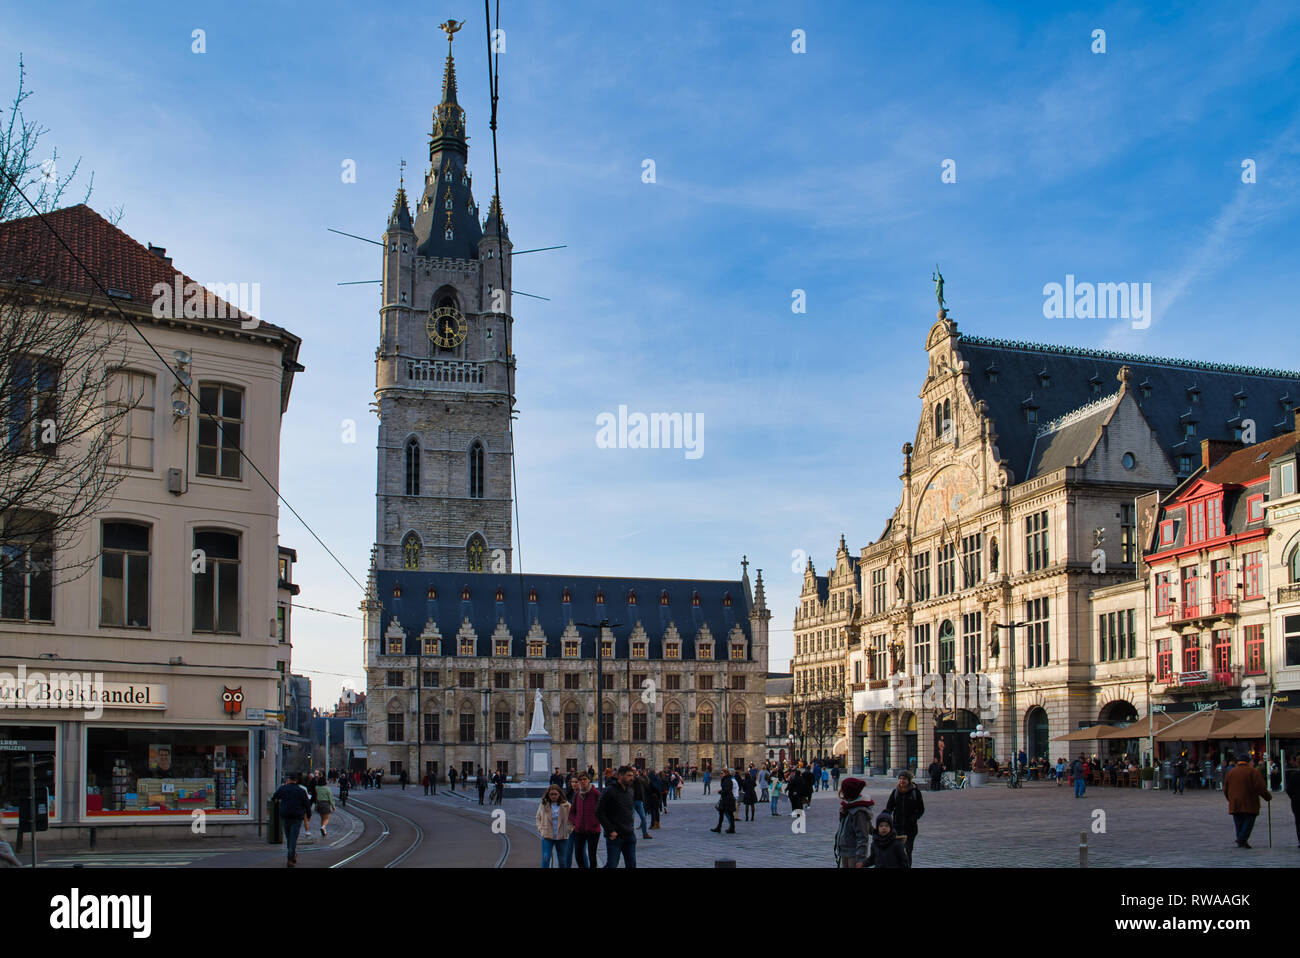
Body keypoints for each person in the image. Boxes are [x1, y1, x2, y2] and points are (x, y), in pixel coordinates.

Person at [1223, 752, 1271, 849]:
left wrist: (1230, 799)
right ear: (1248, 762)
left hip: (1235, 802)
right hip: (1250, 802)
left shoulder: (1231, 772)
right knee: (1248, 821)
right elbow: (1260, 787)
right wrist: (1267, 797)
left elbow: (1225, 788)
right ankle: (1241, 839)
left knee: (1239, 822)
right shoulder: (1253, 771)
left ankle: (1241, 840)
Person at [597, 766, 637, 868]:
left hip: (629, 834)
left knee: (632, 864)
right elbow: (599, 812)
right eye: (628, 775)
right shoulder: (609, 790)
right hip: (615, 836)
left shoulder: (630, 791)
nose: (631, 778)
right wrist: (610, 830)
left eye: (632, 776)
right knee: (612, 865)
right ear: (620, 776)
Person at [272, 772, 311, 867]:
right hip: (297, 817)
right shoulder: (301, 791)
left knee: (289, 836)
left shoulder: (283, 789)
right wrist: (308, 815)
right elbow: (307, 804)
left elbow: (274, 797)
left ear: (289, 780)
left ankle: (291, 854)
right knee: (293, 837)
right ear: (296, 780)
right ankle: (291, 856)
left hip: (285, 815)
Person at [833, 777, 874, 868]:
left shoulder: (859, 812)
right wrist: (842, 815)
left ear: (848, 792)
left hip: (854, 852)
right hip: (845, 849)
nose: (841, 791)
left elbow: (863, 836)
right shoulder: (848, 807)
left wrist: (860, 858)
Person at [884, 770, 925, 859]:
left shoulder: (915, 792)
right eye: (900, 779)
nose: (902, 781)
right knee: (897, 851)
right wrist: (885, 818)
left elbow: (921, 809)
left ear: (909, 781)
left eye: (904, 779)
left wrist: (913, 818)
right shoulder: (895, 792)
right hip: (897, 827)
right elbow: (889, 807)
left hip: (910, 828)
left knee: (907, 850)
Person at [569, 772, 603, 868]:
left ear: (589, 780)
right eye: (580, 780)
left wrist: (596, 821)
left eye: (584, 779)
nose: (582, 781)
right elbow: (572, 812)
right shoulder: (577, 795)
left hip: (593, 830)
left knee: (592, 856)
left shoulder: (596, 793)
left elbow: (603, 810)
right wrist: (576, 823)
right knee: (578, 855)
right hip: (579, 830)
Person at [536, 784, 573, 868]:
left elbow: (572, 819)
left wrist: (569, 830)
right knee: (545, 857)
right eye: (551, 794)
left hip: (562, 836)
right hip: (547, 835)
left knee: (562, 860)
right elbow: (538, 817)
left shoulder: (566, 805)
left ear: (559, 794)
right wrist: (540, 828)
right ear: (548, 794)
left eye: (555, 794)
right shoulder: (544, 804)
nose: (553, 796)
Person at [711, 768, 737, 833]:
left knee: (729, 814)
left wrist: (721, 792)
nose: (720, 774)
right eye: (721, 773)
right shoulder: (725, 779)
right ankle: (719, 827)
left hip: (728, 799)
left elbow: (727, 790)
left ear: (726, 773)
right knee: (722, 813)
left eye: (722, 773)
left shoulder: (727, 780)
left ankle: (732, 828)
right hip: (725, 798)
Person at [631, 769, 653, 839]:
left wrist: (645, 776)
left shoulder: (640, 779)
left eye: (635, 771)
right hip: (631, 801)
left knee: (643, 818)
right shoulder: (629, 780)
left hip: (639, 800)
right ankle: (631, 834)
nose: (635, 772)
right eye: (633, 771)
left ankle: (645, 833)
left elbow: (647, 784)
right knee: (632, 818)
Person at [1285, 756, 1300, 847]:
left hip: (1297, 802)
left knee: (1299, 822)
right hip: (1296, 800)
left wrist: (1293, 797)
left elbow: (1289, 789)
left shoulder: (1294, 775)